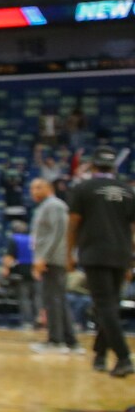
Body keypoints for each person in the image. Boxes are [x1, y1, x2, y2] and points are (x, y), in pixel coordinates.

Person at [67, 148, 133, 377]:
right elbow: (133, 229)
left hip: (95, 254)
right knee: (110, 307)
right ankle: (100, 355)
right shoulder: (128, 191)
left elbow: (73, 224)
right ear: (114, 168)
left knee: (104, 307)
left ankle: (123, 357)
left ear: (93, 167)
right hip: (122, 255)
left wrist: (68, 254)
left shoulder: (82, 188)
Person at [29, 178, 77, 354]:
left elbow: (59, 233)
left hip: (53, 260)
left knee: (53, 300)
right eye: (32, 188)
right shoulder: (46, 206)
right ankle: (69, 340)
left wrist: (43, 257)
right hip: (52, 258)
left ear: (49, 188)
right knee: (58, 299)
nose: (34, 191)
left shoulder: (54, 205)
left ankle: (56, 341)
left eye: (38, 187)